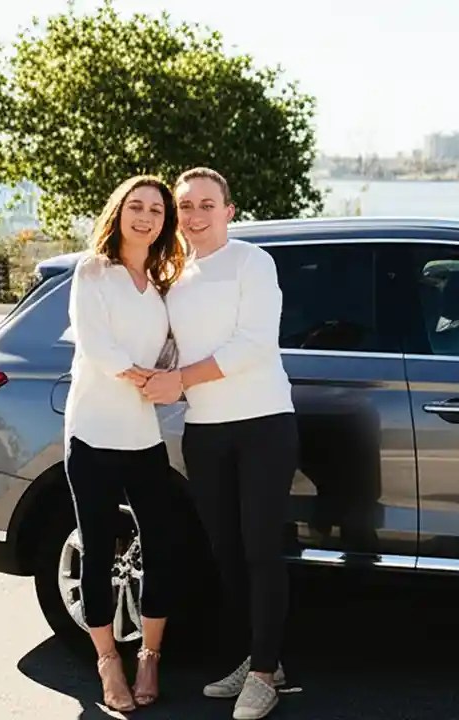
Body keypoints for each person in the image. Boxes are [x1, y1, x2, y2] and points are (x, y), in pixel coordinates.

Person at [141, 167, 299, 720]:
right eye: (185, 206)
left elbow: (254, 345)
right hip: (204, 432)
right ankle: (257, 658)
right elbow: (163, 345)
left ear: (230, 211)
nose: (195, 215)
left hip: (263, 426)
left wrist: (180, 379)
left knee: (260, 550)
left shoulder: (253, 263)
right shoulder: (170, 271)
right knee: (227, 555)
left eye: (207, 204)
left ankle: (263, 676)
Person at [63, 175, 185, 711]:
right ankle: (108, 662)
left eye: (156, 210)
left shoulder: (161, 284)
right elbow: (99, 347)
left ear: (165, 222)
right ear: (119, 212)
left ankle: (149, 659)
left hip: (142, 436)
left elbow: (173, 352)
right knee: (97, 548)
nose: (145, 217)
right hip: (91, 433)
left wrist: (174, 375)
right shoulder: (93, 273)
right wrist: (149, 381)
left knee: (162, 547)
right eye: (136, 206)